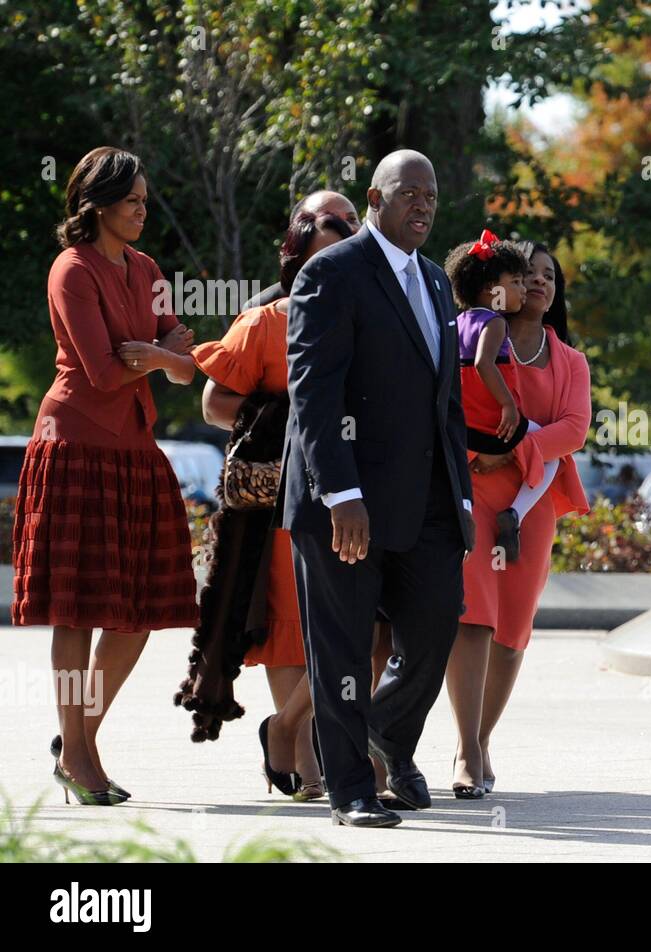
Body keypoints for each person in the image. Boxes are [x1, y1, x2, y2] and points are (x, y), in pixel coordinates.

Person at [283, 149, 475, 828]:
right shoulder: (330, 274)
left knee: (434, 623)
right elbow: (314, 393)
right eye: (409, 193)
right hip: (348, 502)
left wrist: (462, 495)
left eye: (431, 196)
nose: (423, 205)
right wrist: (340, 493)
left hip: (426, 500)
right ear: (374, 196)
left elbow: (444, 399)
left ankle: (385, 735)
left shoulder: (433, 280)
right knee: (340, 645)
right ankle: (352, 792)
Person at [11, 146, 198, 805]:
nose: (144, 210)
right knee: (77, 611)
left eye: (145, 199)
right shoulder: (72, 269)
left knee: (139, 610)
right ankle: (81, 754)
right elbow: (100, 370)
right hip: (75, 445)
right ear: (97, 206)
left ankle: (78, 740)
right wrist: (156, 356)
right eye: (133, 200)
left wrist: (151, 353)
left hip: (135, 447)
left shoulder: (146, 268)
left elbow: (184, 354)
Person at [188, 209, 353, 802]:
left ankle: (303, 738)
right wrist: (288, 422)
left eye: (342, 254)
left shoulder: (369, 319)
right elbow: (214, 404)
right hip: (284, 498)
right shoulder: (263, 323)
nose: (330, 268)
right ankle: (303, 751)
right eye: (318, 256)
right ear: (295, 261)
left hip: (357, 491)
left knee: (356, 622)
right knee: (291, 628)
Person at [446, 240, 590, 797]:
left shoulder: (571, 361)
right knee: (474, 613)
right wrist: (481, 454)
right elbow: (450, 404)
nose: (539, 283)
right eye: (529, 273)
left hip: (534, 496)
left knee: (512, 630)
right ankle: (465, 747)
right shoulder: (472, 332)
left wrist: (519, 452)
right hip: (473, 484)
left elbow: (574, 429)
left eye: (549, 276)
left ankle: (482, 738)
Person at [445, 229, 560, 561]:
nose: (523, 289)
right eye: (515, 282)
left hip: (465, 431)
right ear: (490, 290)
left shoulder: (457, 322)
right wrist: (508, 404)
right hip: (494, 427)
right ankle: (515, 514)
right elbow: (483, 362)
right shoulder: (494, 324)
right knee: (551, 458)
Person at [241, 191, 362, 309]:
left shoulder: (375, 283)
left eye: (352, 219)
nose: (347, 228)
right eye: (329, 221)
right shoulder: (262, 311)